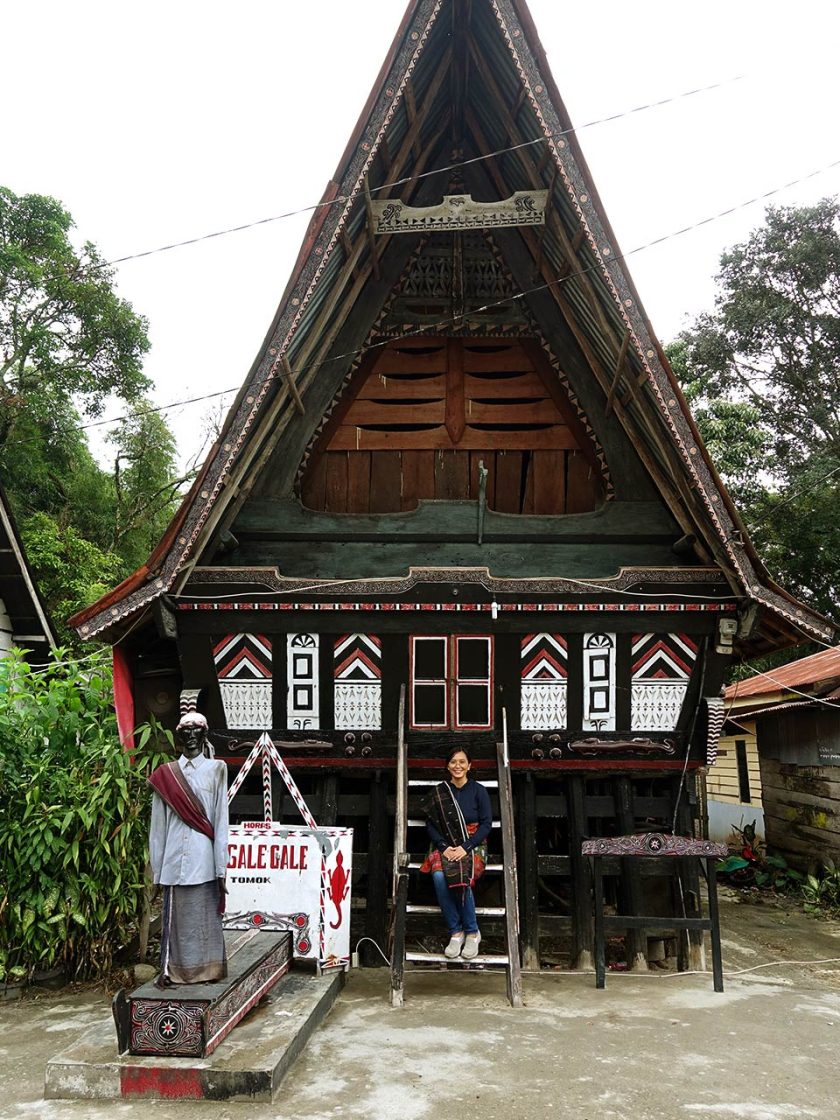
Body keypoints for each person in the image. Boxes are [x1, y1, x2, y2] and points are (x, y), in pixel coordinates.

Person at [148, 711, 229, 987]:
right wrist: (157, 871)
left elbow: (221, 820)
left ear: (204, 734)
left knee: (205, 920)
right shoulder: (165, 775)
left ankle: (208, 971)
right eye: (186, 730)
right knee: (177, 924)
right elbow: (158, 828)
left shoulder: (217, 769)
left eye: (197, 729)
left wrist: (221, 868)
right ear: (179, 736)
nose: (192, 735)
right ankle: (173, 972)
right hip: (174, 860)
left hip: (203, 860)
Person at [421, 747, 492, 961]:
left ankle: (472, 932)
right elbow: (431, 825)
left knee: (461, 877)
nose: (458, 766)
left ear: (470, 765)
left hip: (472, 844)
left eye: (462, 762)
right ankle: (456, 931)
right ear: (447, 766)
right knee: (440, 876)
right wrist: (444, 847)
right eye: (453, 762)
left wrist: (466, 847)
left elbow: (486, 824)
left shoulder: (479, 791)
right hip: (445, 844)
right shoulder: (439, 792)